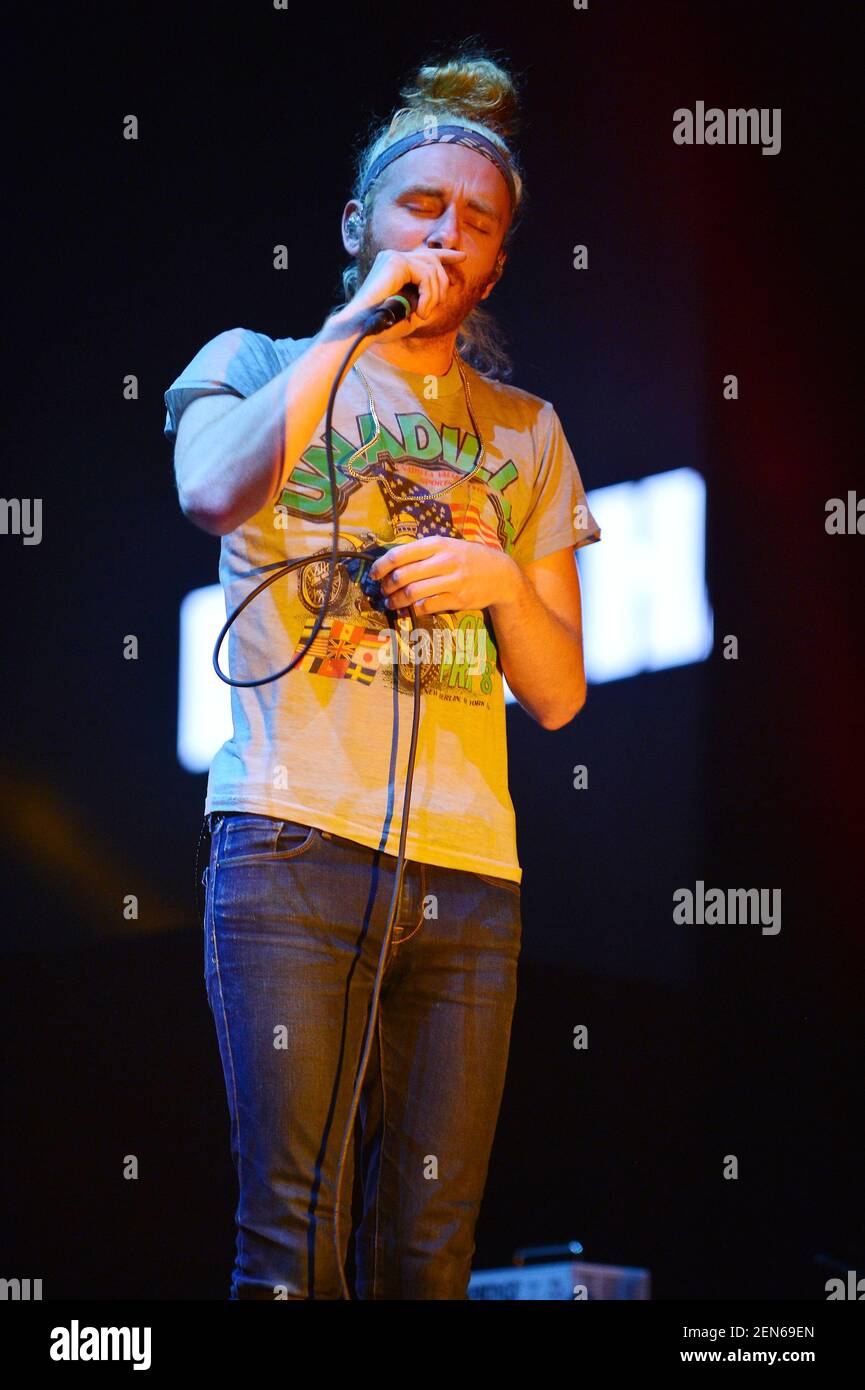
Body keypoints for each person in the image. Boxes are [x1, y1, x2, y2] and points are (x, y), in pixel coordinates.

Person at [163, 47, 601, 1300]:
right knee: (290, 1245)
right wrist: (357, 324)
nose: (447, 233)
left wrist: (504, 582)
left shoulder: (527, 433)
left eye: (477, 221)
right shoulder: (251, 359)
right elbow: (208, 490)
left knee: (428, 1256)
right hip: (291, 842)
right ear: (358, 222)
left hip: (469, 880)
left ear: (501, 259)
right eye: (422, 205)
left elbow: (560, 691)